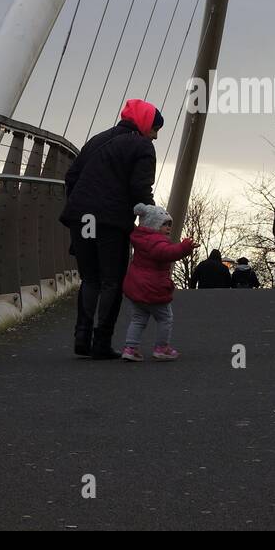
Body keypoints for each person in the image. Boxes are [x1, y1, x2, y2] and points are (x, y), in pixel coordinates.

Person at [60, 98, 161, 359]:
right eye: (154, 129)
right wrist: (153, 221)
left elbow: (71, 177)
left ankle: (81, 337)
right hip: (111, 223)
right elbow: (140, 190)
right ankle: (101, 342)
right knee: (111, 281)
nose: (156, 136)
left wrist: (80, 206)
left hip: (82, 219)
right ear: (145, 124)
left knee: (90, 278)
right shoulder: (142, 146)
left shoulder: (97, 139)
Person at [121, 203, 195, 362]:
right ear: (153, 225)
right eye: (164, 224)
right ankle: (161, 348)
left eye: (169, 224)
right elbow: (166, 253)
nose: (168, 227)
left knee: (138, 319)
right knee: (165, 318)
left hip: (135, 287)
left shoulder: (140, 238)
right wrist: (185, 248)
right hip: (153, 288)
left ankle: (130, 348)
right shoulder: (156, 241)